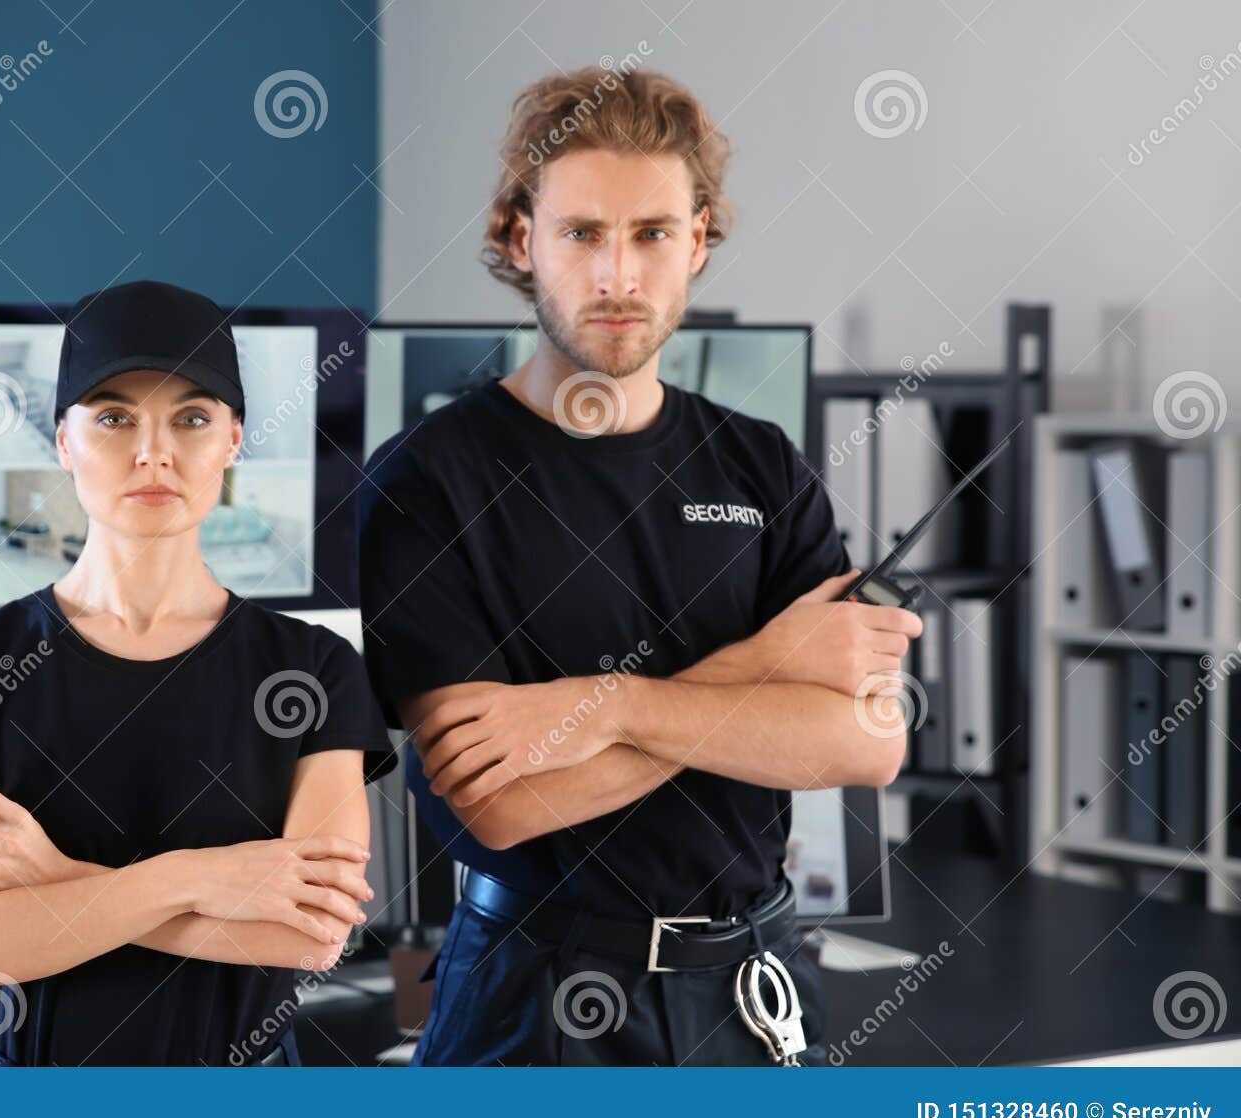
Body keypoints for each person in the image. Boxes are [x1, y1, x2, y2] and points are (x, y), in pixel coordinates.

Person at [357, 68, 922, 1065]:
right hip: (537, 996)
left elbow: (863, 742)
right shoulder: (429, 481)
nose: (618, 274)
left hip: (755, 992)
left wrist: (602, 708)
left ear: (697, 240)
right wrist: (766, 664)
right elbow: (501, 802)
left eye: (652, 233)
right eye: (582, 232)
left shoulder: (760, 464)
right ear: (519, 239)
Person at [0, 279, 394, 1066]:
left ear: (234, 439)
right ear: (63, 442)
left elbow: (312, 936)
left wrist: (53, 876)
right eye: (114, 417)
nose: (154, 451)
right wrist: (195, 878)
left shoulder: (312, 669)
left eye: (192, 416)